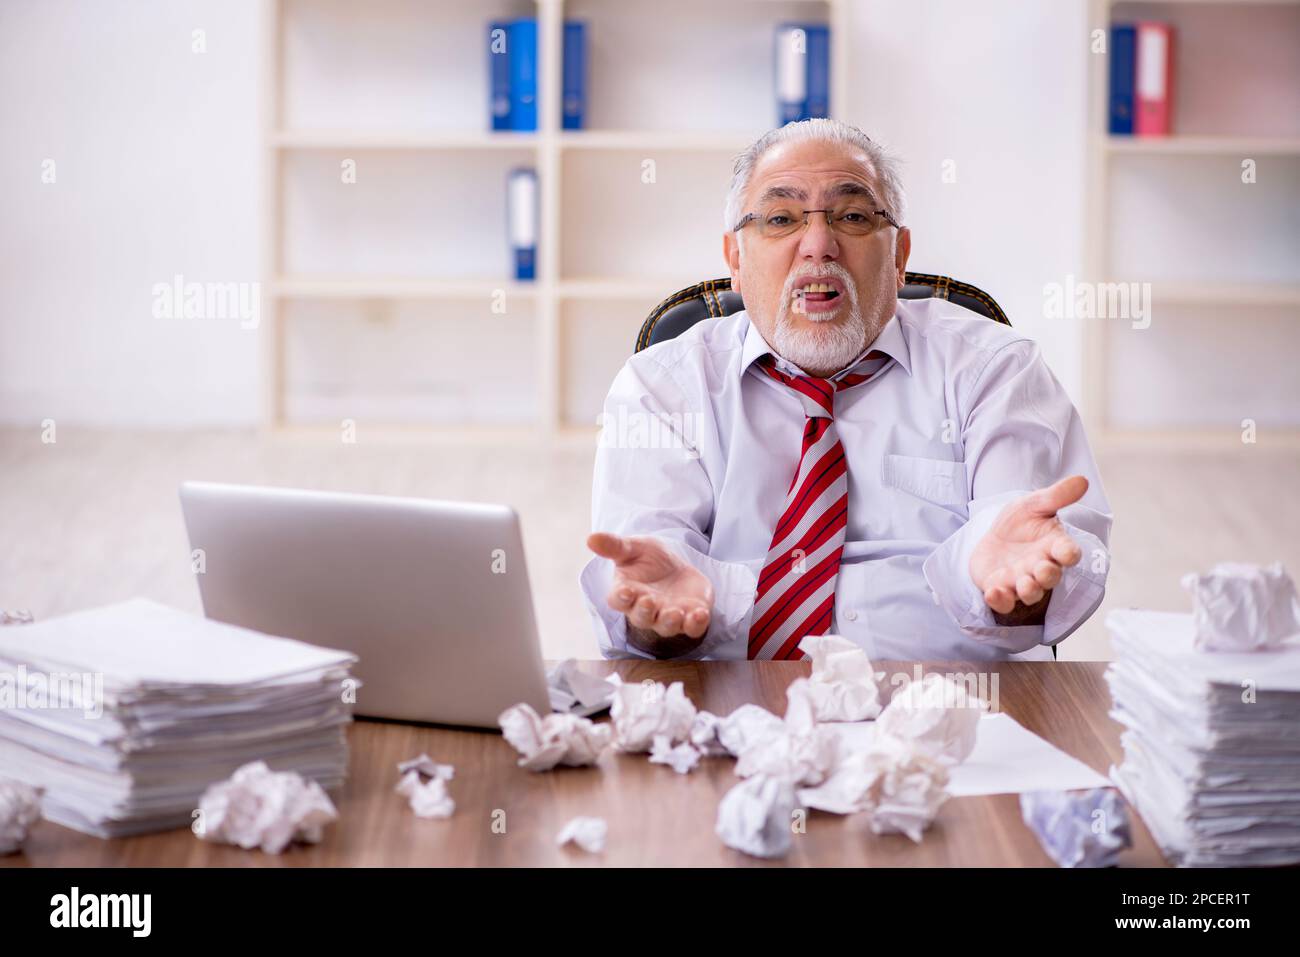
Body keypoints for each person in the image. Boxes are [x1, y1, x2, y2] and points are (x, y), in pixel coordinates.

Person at [580, 119, 1111, 662]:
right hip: (731, 712)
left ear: (900, 255)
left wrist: (1011, 590)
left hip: (948, 708)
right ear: (735, 260)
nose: (818, 245)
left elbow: (1020, 544)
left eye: (853, 216)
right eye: (781, 218)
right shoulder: (662, 386)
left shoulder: (996, 370)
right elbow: (648, 568)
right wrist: (659, 615)